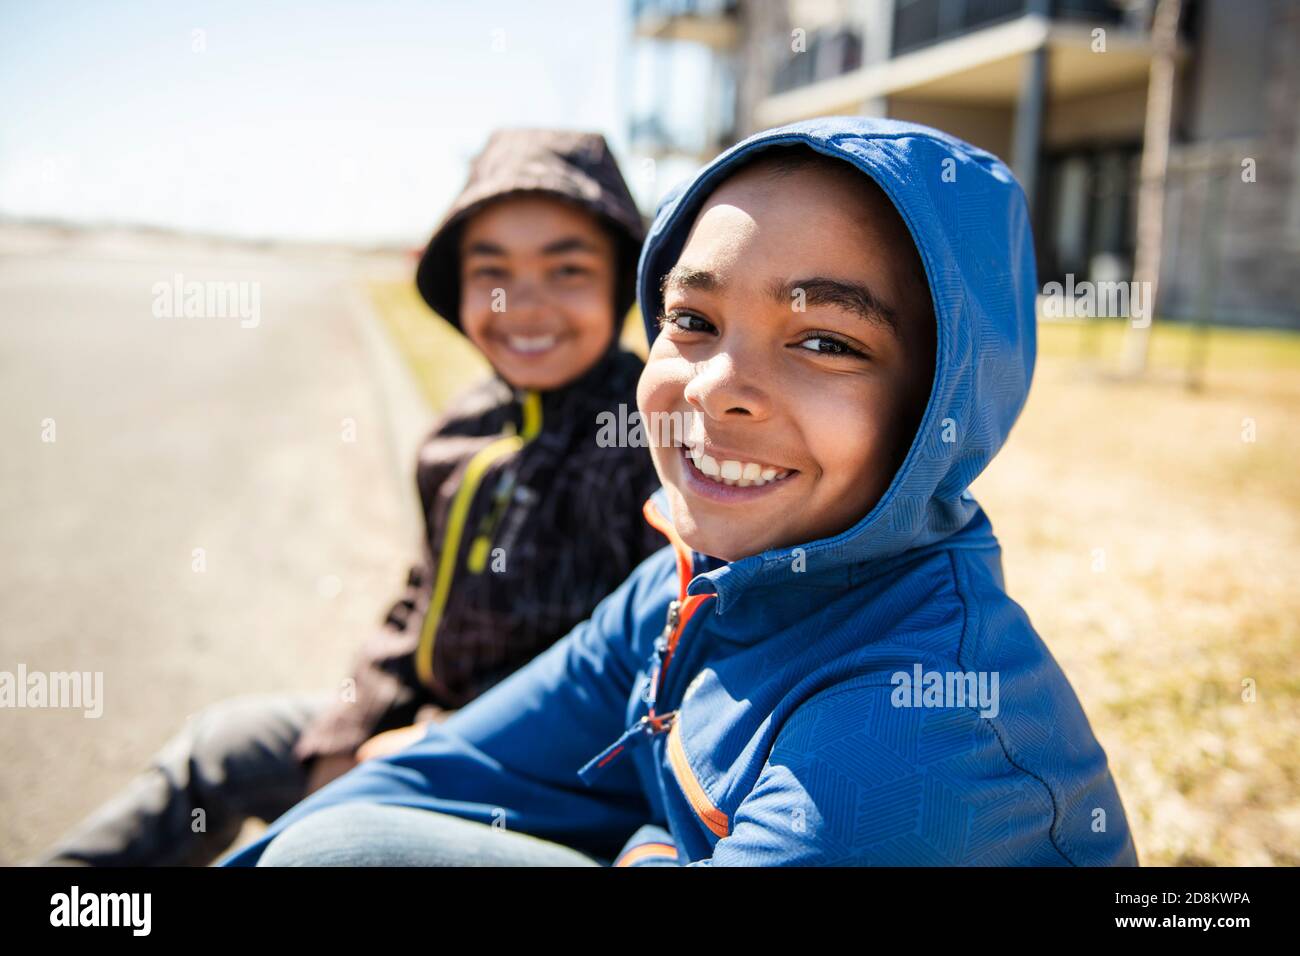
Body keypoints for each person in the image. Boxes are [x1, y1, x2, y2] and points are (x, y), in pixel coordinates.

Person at [221, 116, 1138, 867]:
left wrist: (651, 850)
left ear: (945, 400)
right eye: (693, 320)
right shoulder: (688, 587)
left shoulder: (916, 744)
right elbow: (433, 772)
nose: (712, 388)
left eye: (825, 340)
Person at [39, 129, 665, 866]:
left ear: (624, 282)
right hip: (415, 724)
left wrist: (440, 744)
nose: (524, 306)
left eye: (567, 272)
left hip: (546, 780)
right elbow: (420, 602)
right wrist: (349, 726)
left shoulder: (645, 441)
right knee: (222, 746)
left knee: (324, 847)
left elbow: (654, 661)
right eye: (491, 273)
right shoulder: (460, 430)